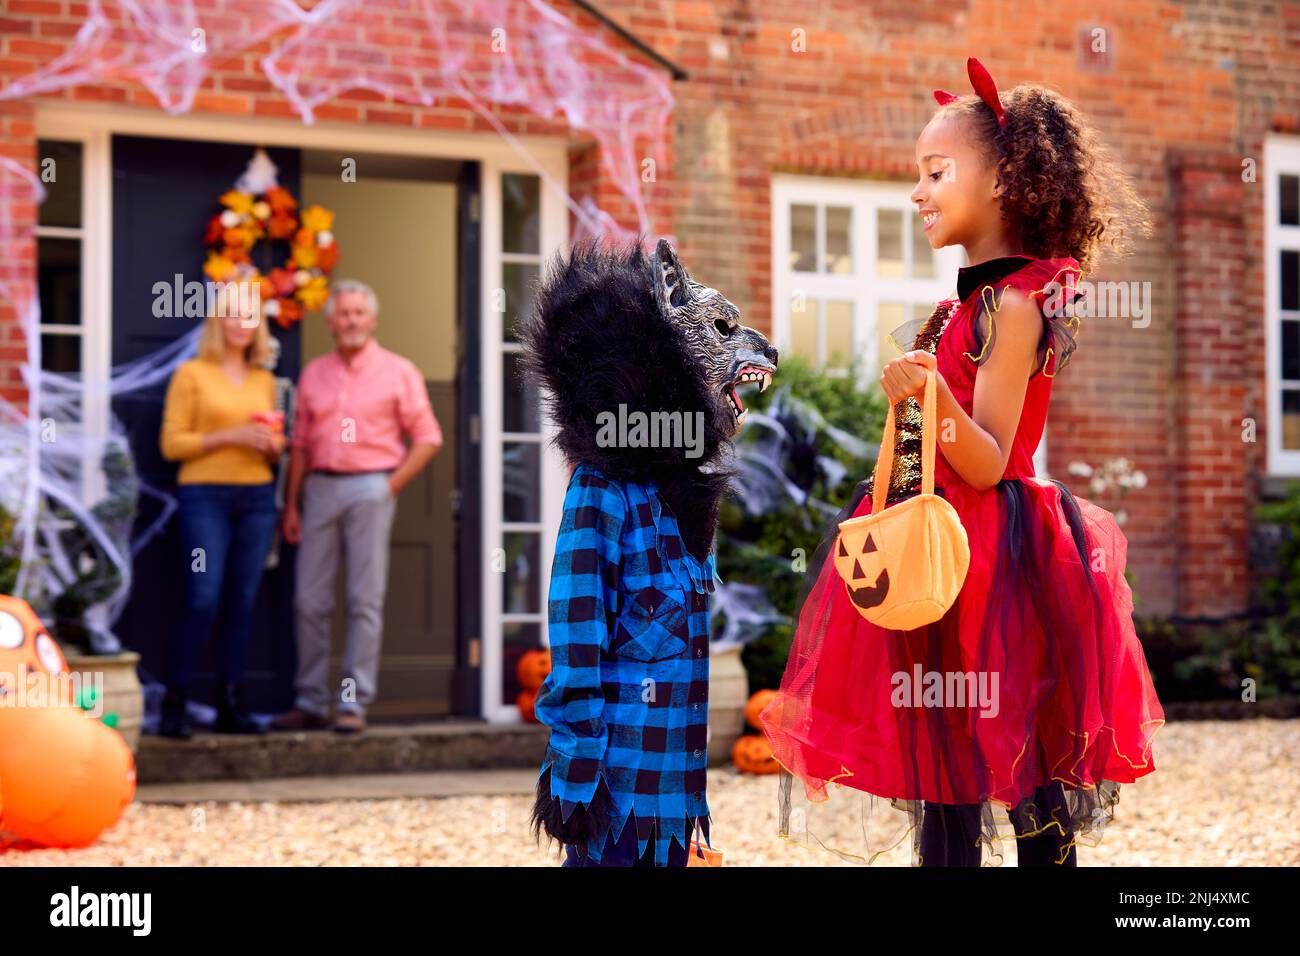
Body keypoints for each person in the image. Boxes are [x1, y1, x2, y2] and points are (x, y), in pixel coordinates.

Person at [760, 57, 1166, 867]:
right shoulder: (959, 307)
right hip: (937, 555)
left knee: (1019, 762)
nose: (918, 192)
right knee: (940, 765)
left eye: (936, 172)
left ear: (1006, 182)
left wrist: (931, 400)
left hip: (995, 564)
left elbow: (989, 462)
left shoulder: (1017, 304)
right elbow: (934, 452)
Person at [274, 280, 441, 734]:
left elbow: (428, 437)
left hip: (371, 486)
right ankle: (309, 700)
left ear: (372, 320)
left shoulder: (398, 371)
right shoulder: (314, 374)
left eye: (357, 313)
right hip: (319, 490)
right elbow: (301, 445)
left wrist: (388, 487)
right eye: (342, 314)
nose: (350, 320)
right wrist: (291, 506)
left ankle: (352, 702)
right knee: (309, 600)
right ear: (330, 323)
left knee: (363, 600)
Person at [158, 289, 284, 738]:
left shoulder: (263, 379)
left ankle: (231, 703)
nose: (240, 322)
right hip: (203, 496)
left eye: (248, 315)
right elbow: (172, 444)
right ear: (217, 320)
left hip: (255, 498)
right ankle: (175, 701)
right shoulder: (191, 374)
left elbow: (270, 449)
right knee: (202, 598)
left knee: (242, 603)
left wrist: (272, 446)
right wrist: (229, 435)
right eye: (232, 314)